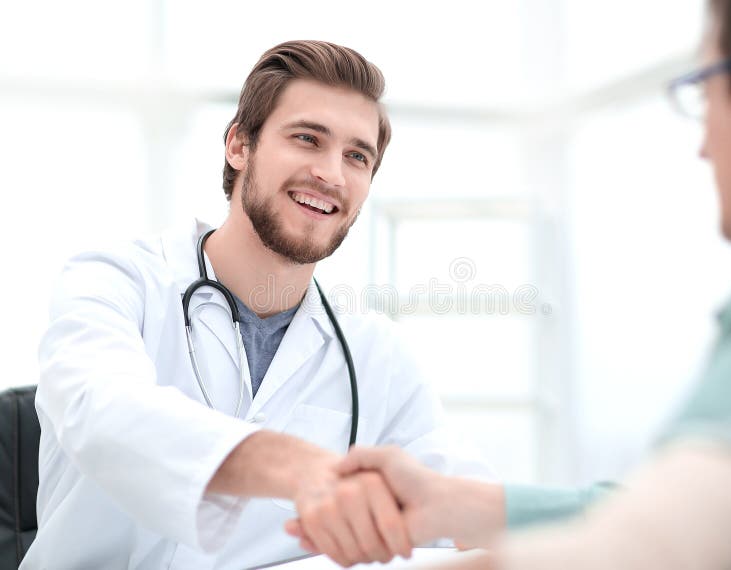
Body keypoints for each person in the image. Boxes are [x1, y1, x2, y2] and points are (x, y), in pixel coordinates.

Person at [289, 0, 731, 567]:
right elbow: (640, 510)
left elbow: (647, 546)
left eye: (704, 92)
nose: (703, 144)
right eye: (307, 139)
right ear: (237, 144)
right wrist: (451, 501)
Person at [25, 40, 490, 570]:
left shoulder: (374, 350)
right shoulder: (116, 280)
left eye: (357, 156)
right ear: (239, 146)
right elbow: (101, 408)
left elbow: (462, 510)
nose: (332, 174)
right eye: (307, 138)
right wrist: (299, 469)